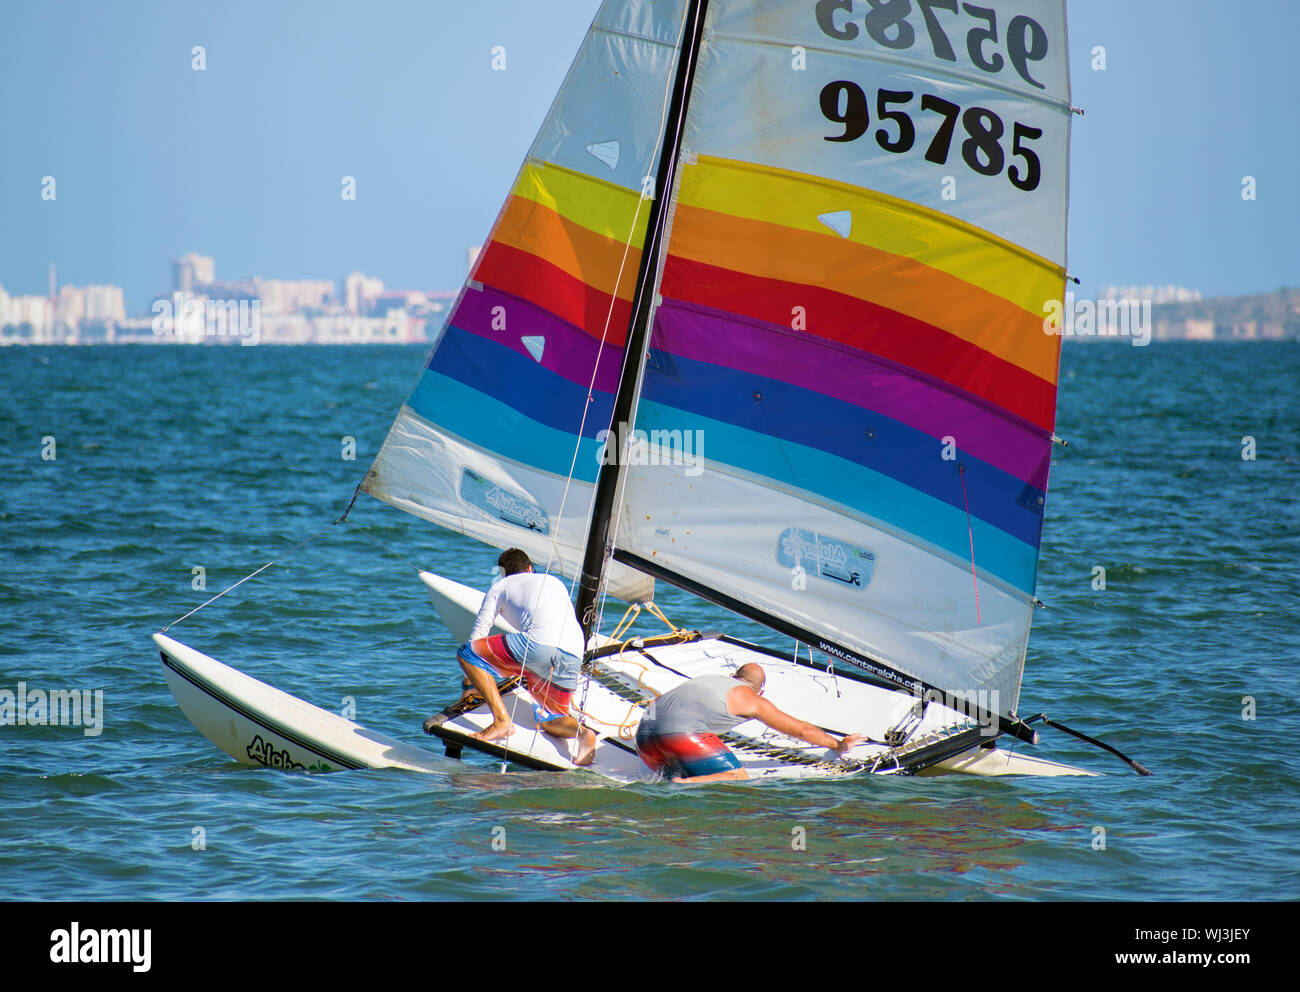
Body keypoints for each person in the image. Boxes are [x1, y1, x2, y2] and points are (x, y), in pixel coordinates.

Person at [456, 548, 597, 766]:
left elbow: (476, 642)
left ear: (503, 574)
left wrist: (470, 686)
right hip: (574, 653)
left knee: (466, 654)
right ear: (530, 568)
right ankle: (583, 733)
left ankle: (502, 722)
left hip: (539, 646)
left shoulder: (500, 587)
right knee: (550, 719)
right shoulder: (553, 581)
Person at [635, 663, 862, 783]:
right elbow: (802, 730)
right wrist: (839, 745)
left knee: (684, 770)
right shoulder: (753, 699)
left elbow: (659, 704)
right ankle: (683, 784)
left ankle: (682, 780)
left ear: (733, 675)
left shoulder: (705, 679)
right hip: (681, 736)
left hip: (644, 739)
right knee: (738, 777)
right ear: (760, 689)